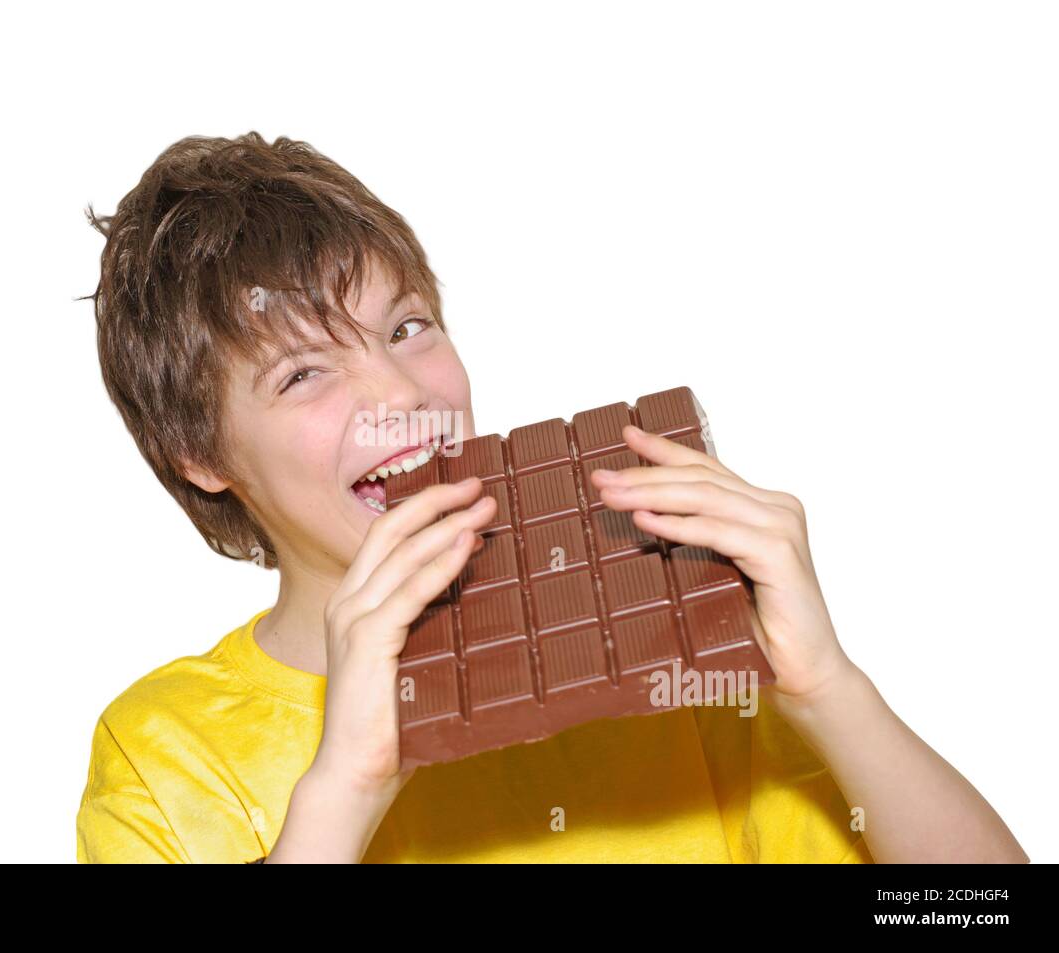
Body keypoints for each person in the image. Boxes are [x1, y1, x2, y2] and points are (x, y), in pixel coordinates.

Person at [74, 132, 1027, 863]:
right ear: (199, 452)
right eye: (303, 375)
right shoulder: (167, 750)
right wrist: (346, 789)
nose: (403, 396)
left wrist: (830, 690)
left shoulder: (666, 654)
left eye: (408, 326)